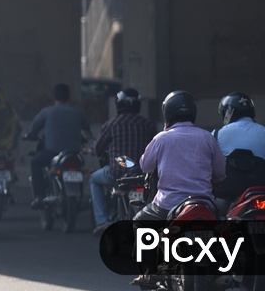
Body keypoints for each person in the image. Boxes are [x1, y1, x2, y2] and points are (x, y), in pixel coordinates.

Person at [135, 90, 225, 220]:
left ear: (167, 112)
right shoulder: (207, 137)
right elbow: (220, 174)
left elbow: (145, 166)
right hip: (204, 204)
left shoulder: (161, 139)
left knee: (138, 221)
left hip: (168, 205)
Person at [87, 88, 159, 233]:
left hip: (118, 171)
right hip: (142, 172)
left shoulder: (111, 124)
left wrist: (89, 150)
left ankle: (102, 220)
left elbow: (97, 149)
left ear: (118, 104)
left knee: (94, 179)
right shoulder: (148, 125)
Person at [22, 83, 90, 208]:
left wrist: (30, 136)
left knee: (35, 162)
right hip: (73, 153)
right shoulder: (78, 112)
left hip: (52, 152)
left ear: (54, 97)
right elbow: (87, 131)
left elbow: (33, 131)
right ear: (69, 96)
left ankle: (40, 196)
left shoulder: (46, 112)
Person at [215, 92, 265, 203]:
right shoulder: (263, 131)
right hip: (261, 195)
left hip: (228, 197)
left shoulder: (216, 134)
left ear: (228, 112)